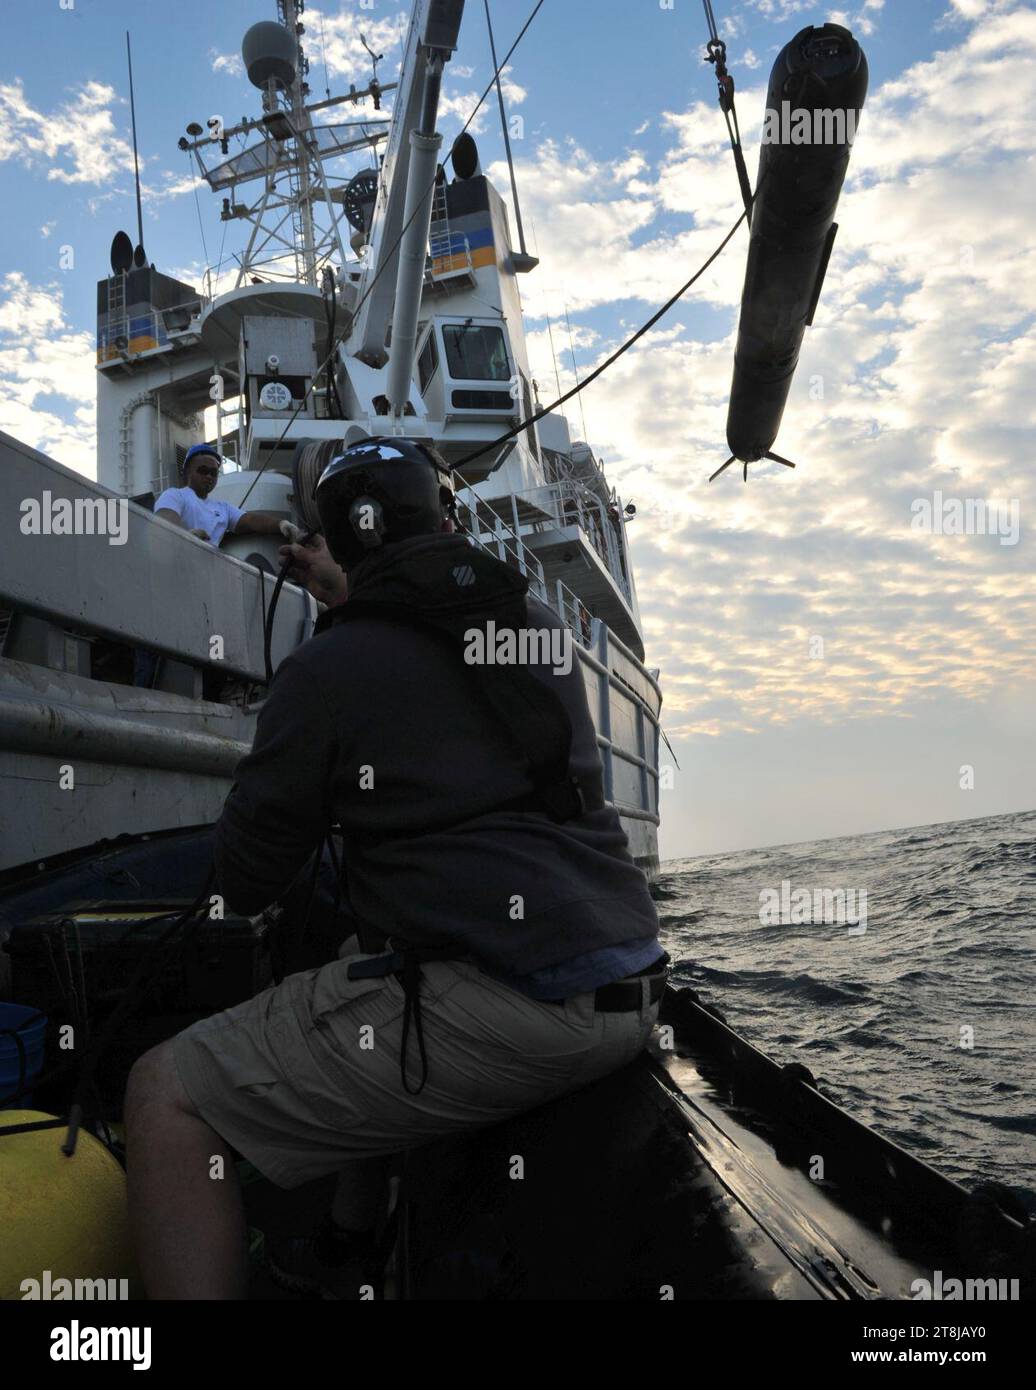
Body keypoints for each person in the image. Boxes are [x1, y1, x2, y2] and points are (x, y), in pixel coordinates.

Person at [124, 436, 665, 1300]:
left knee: (163, 1096)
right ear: (444, 517)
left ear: (339, 539)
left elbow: (247, 880)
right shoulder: (536, 627)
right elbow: (438, 679)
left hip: (521, 1008)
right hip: (626, 981)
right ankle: (348, 1241)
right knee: (355, 969)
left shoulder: (328, 669)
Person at [153, 444, 285, 546]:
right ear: (188, 472)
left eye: (213, 472)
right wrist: (186, 536)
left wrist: (281, 525)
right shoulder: (174, 495)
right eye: (203, 470)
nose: (209, 476)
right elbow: (164, 520)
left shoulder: (223, 508)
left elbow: (250, 521)